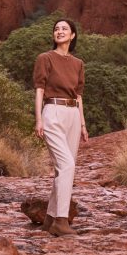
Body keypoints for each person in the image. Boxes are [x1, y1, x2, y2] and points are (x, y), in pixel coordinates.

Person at [33, 18, 88, 237]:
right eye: (56, 29)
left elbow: (79, 96)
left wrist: (83, 124)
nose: (60, 31)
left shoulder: (78, 63)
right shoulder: (45, 58)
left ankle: (49, 219)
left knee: (63, 169)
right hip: (52, 112)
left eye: (65, 28)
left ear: (73, 35)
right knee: (67, 165)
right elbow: (39, 90)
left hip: (73, 114)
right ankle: (61, 221)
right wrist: (38, 119)